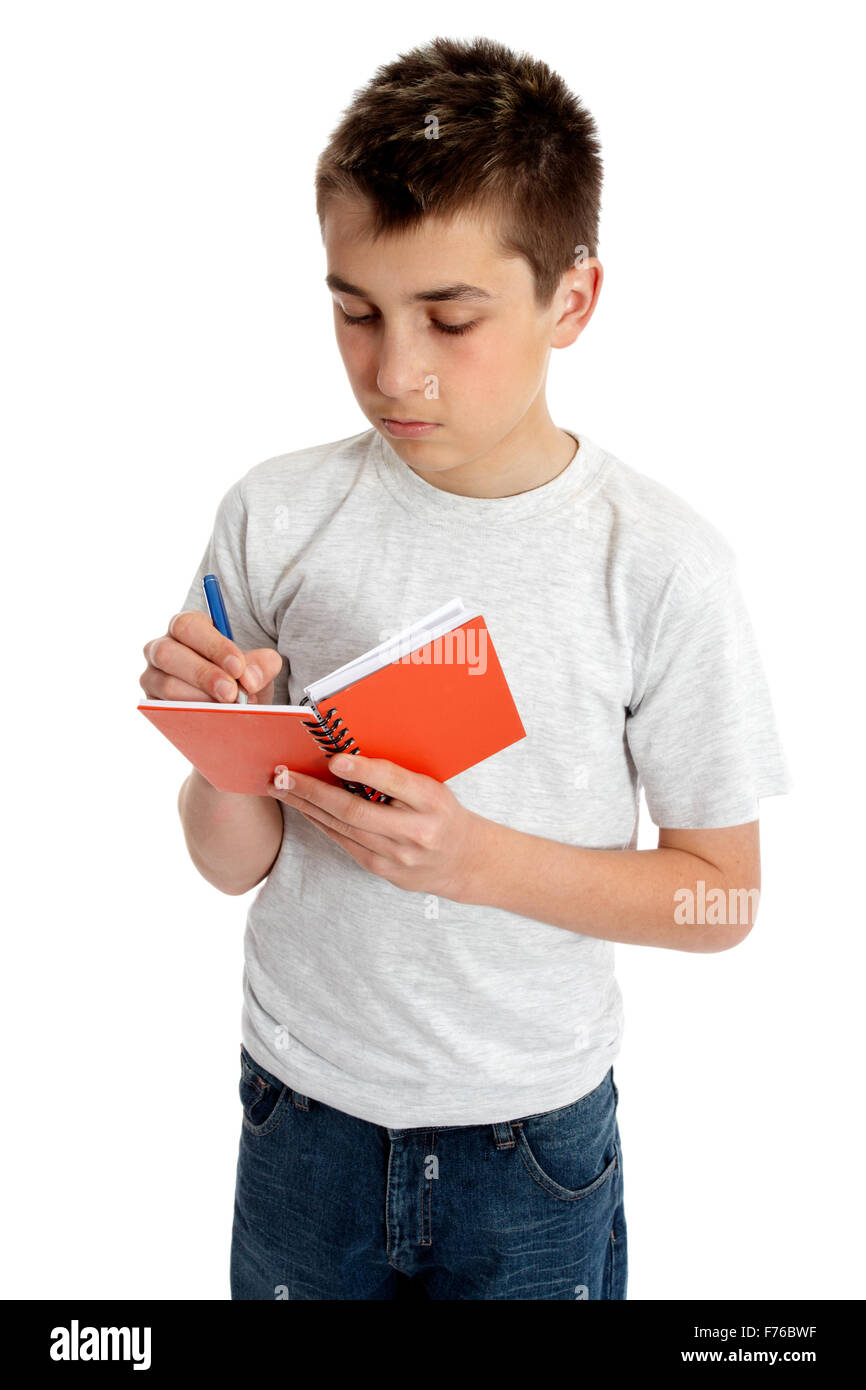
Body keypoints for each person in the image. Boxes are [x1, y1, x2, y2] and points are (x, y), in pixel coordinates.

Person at [139, 35, 791, 1300]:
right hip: (299, 1117)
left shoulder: (657, 565)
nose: (396, 370)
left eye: (448, 316)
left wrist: (477, 861)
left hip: (527, 1148)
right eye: (353, 309)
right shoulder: (274, 517)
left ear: (572, 300)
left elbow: (721, 900)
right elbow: (229, 862)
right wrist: (219, 745)